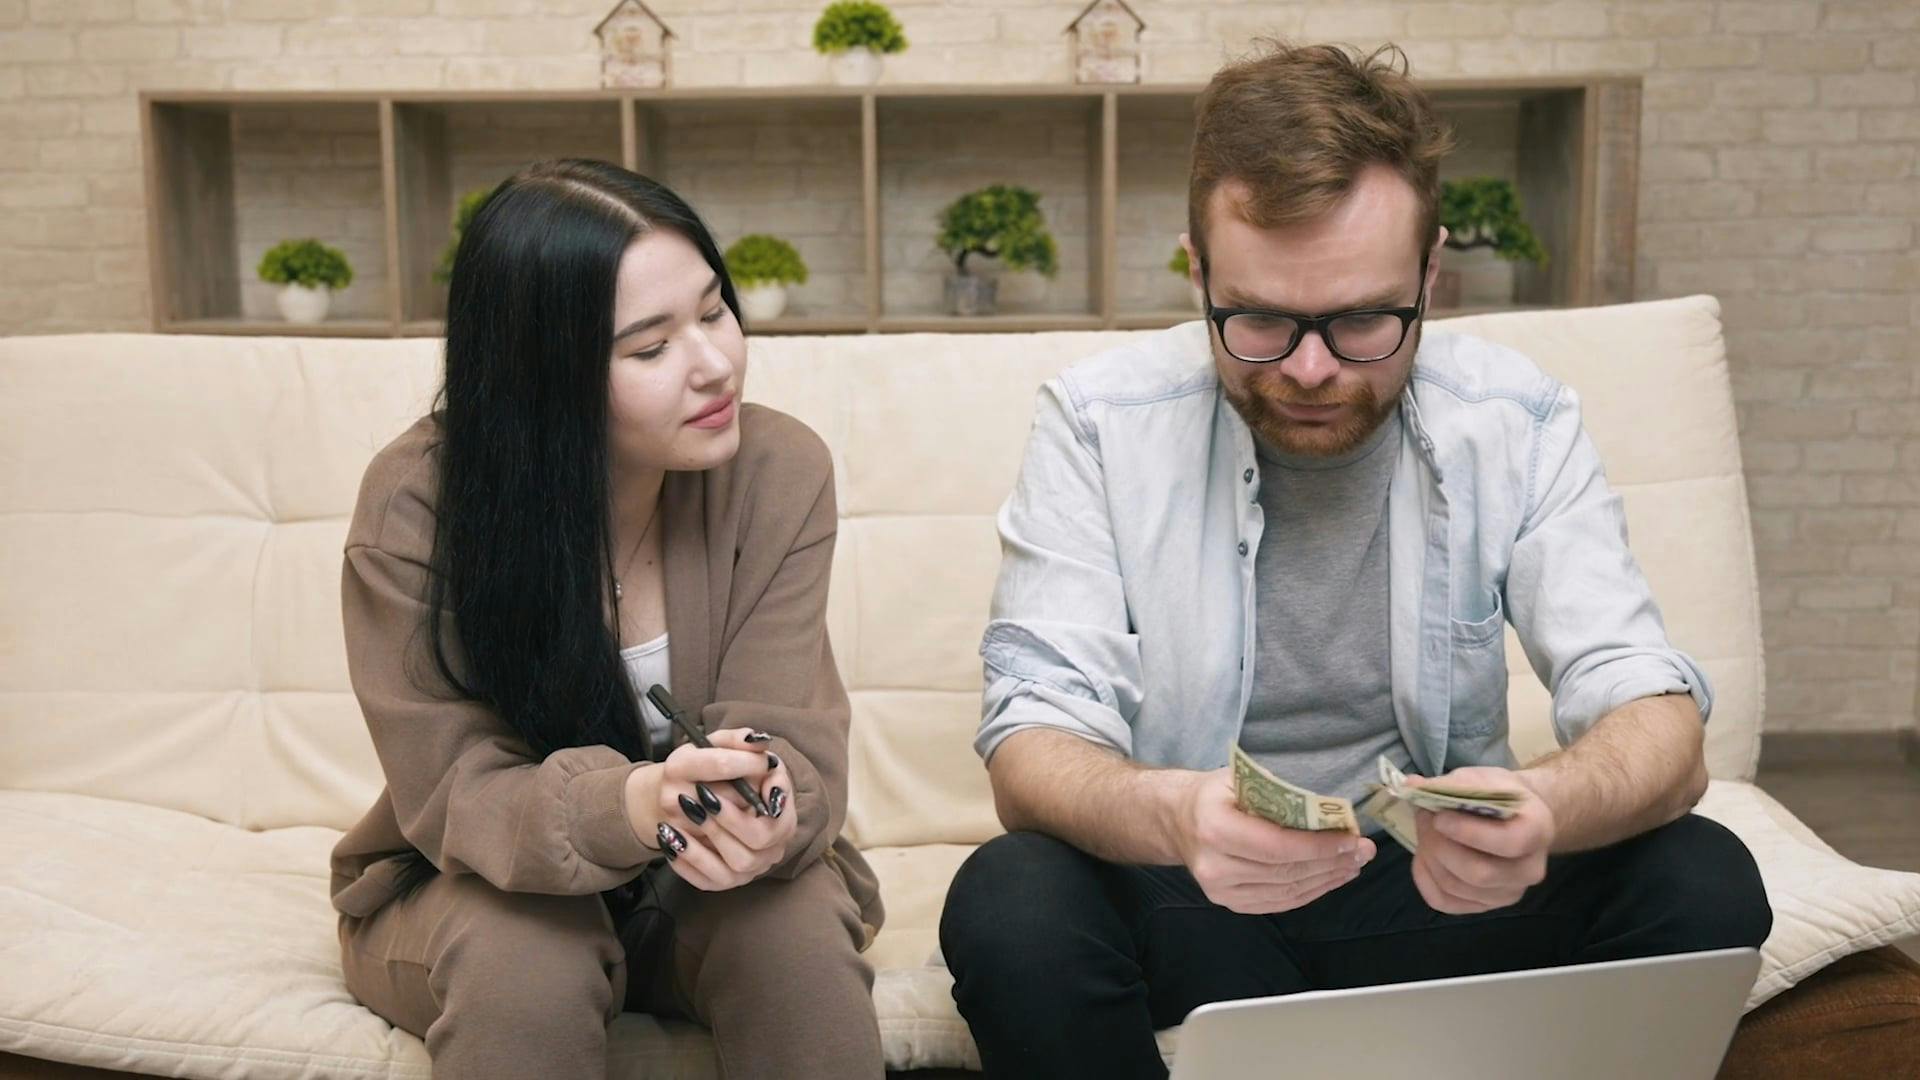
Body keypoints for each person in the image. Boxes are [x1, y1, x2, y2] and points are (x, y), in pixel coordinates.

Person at [939, 42, 1771, 1079]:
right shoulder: (1097, 424)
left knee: (1702, 874)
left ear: (1430, 276)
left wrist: (1545, 811)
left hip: (1432, 899)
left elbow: (1655, 717)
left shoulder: (1517, 420)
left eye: (1365, 319)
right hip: (1198, 902)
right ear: (1197, 272)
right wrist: (1177, 815)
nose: (1310, 368)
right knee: (1011, 899)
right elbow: (1032, 744)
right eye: (1259, 318)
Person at [328, 158, 884, 1079]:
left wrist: (772, 801)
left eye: (714, 311)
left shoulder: (779, 472)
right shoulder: (417, 507)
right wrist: (628, 806)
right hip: (475, 887)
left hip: (698, 891)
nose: (715, 364)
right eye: (651, 348)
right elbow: (453, 791)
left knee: (792, 937)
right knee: (525, 964)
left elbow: (793, 731)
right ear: (541, 375)